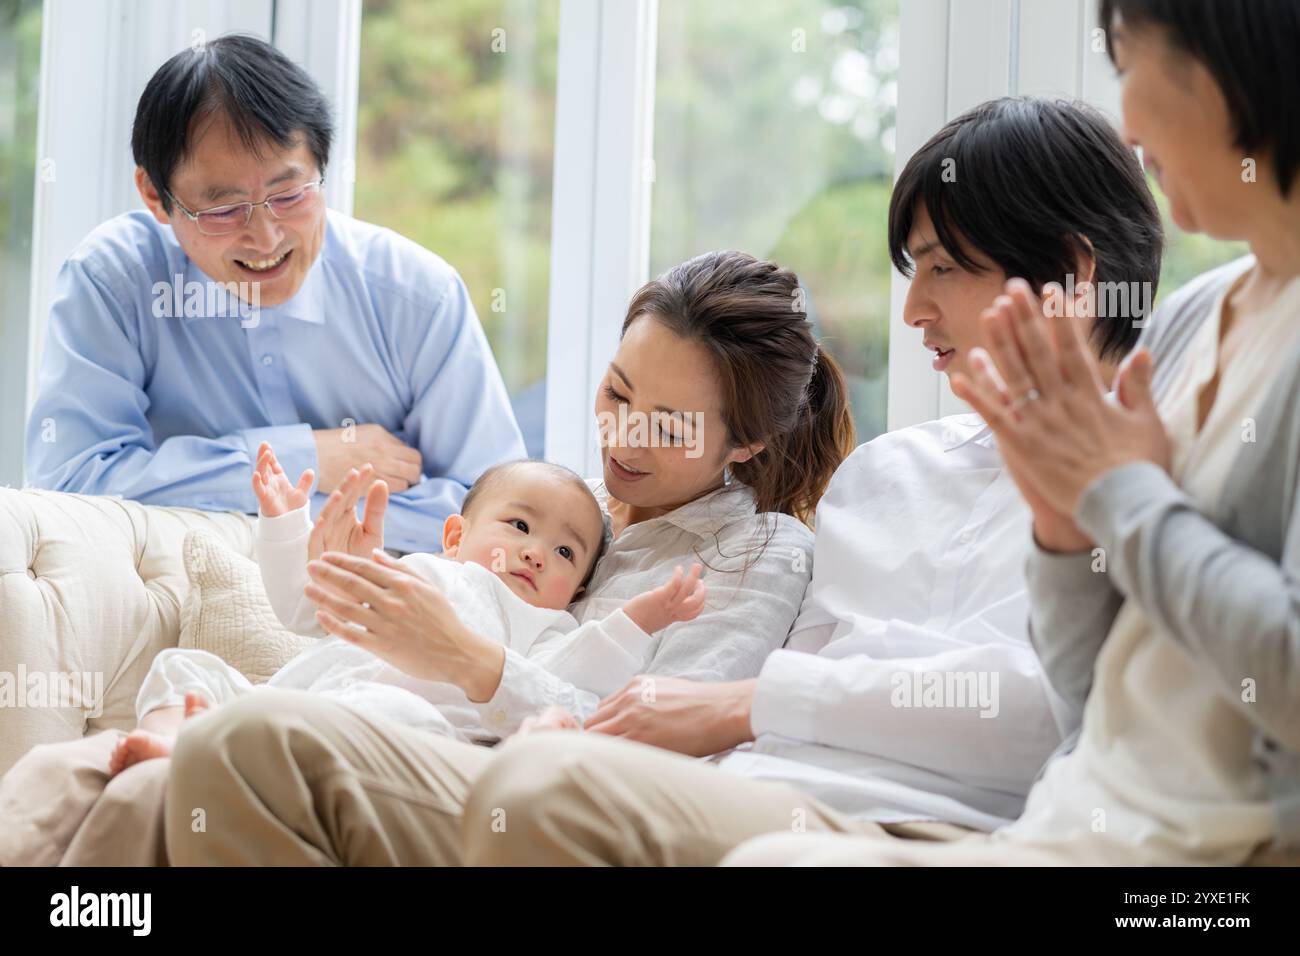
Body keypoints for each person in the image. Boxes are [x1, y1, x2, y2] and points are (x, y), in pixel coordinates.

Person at [169, 95, 1165, 866]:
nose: (915, 314)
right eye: (912, 273)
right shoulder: (881, 475)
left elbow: (1040, 713)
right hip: (742, 783)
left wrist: (745, 702)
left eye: (945, 267)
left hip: (909, 818)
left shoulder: (1145, 472)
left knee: (549, 783)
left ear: (1074, 275)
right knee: (246, 748)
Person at [1, 249, 851, 865]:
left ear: (748, 444)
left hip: (499, 789)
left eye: (666, 425)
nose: (622, 438)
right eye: (616, 393)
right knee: (63, 771)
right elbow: (357, 633)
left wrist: (467, 659)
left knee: (160, 790)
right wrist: (352, 575)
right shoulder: (564, 503)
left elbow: (656, 752)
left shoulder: (758, 553)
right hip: (363, 712)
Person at [725, 0, 1300, 866]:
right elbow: (1089, 701)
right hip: (1071, 821)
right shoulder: (1192, 320)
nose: (1131, 123)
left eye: (1134, 67)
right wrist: (1067, 533)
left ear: (1228, 69)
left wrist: (1118, 496)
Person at [24, 34, 523, 554]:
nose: (266, 238)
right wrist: (301, 460)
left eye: (289, 195)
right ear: (155, 195)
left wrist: (259, 502)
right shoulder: (114, 283)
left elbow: (496, 519)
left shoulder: (418, 296)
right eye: (222, 209)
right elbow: (71, 483)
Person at [108, 447, 707, 774]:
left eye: (565, 551)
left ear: (576, 589)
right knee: (187, 666)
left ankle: (242, 760)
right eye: (519, 525)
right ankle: (166, 741)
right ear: (453, 536)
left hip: (398, 732)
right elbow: (303, 609)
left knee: (391, 707)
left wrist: (641, 617)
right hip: (294, 701)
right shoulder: (416, 572)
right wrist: (287, 527)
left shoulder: (547, 627)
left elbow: (576, 680)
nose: (535, 552)